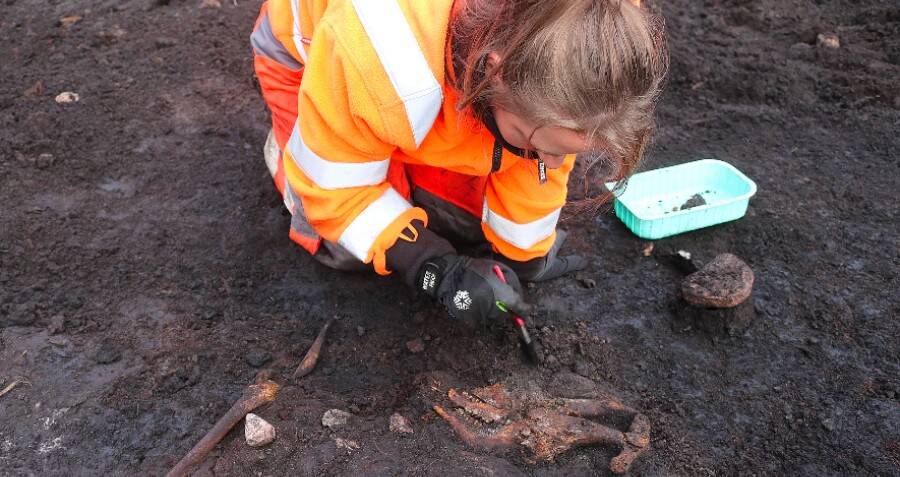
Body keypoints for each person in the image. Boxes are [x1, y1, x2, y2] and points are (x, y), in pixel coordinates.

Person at [250, 0, 667, 325]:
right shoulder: (384, 51)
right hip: (313, 60)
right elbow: (336, 191)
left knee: (464, 223)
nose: (555, 162)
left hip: (434, 90)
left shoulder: (603, 29)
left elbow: (537, 162)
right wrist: (433, 267)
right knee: (348, 249)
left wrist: (525, 256)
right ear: (496, 73)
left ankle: (410, 142)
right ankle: (298, 145)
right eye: (537, 141)